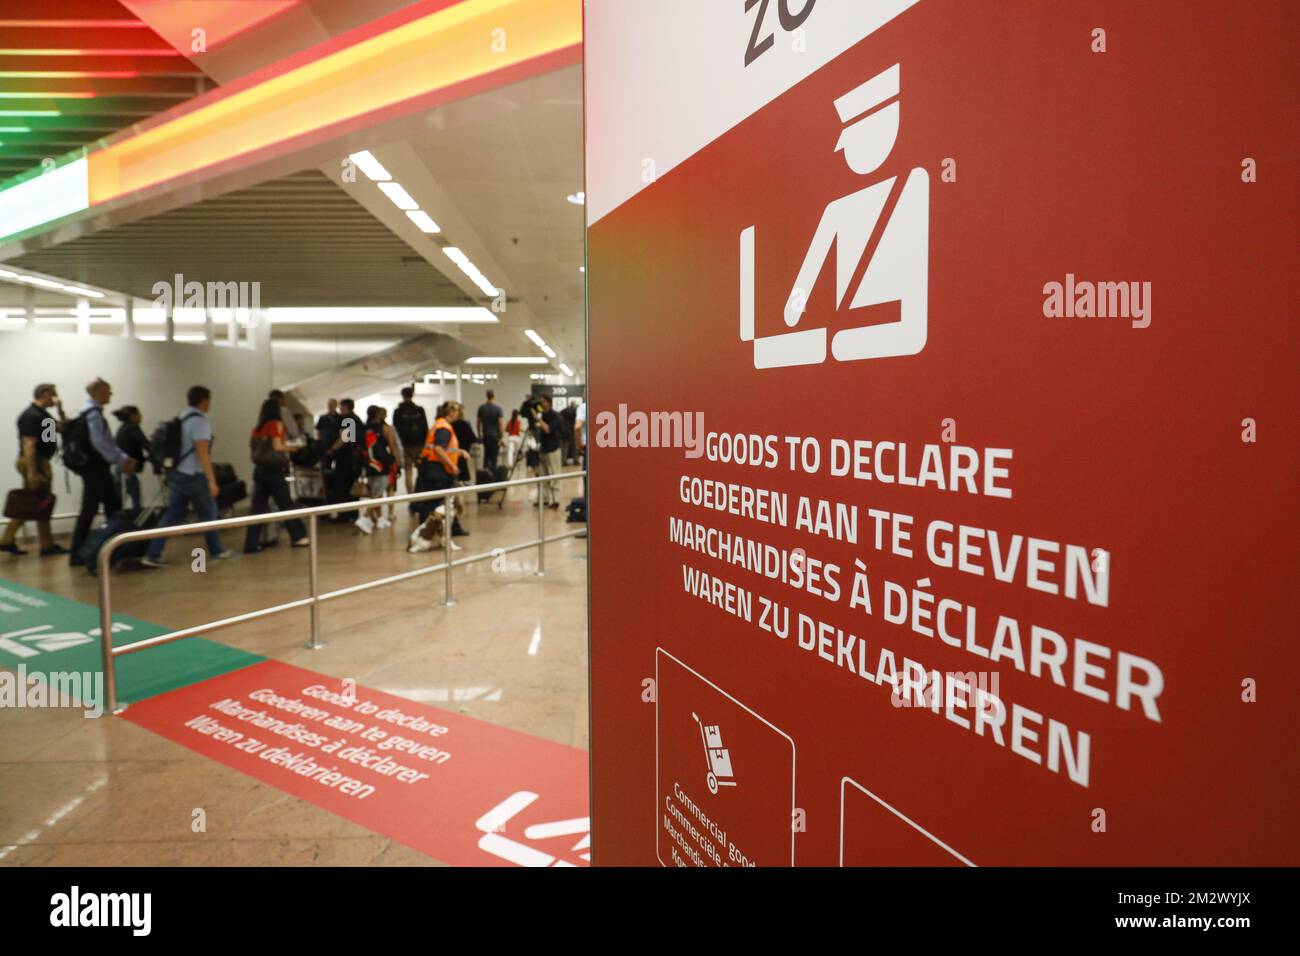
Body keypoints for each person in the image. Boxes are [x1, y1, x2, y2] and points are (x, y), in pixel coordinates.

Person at [141, 385, 235, 566]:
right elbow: (203, 452)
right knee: (209, 512)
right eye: (209, 400)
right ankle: (217, 551)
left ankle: (152, 553)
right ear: (204, 401)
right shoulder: (199, 422)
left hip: (176, 474)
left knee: (173, 513)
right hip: (193, 475)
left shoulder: (181, 417)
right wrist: (211, 481)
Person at [71, 379, 137, 566]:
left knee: (112, 508)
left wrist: (122, 458)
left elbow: (106, 441)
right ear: (98, 392)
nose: (111, 393)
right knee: (91, 510)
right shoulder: (93, 414)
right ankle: (80, 553)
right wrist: (120, 460)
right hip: (96, 471)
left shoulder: (88, 412)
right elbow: (100, 442)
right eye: (108, 390)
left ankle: (112, 549)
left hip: (97, 470)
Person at [0, 383, 68, 557]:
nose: (56, 397)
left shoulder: (44, 417)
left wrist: (60, 409)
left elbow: (62, 429)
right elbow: (29, 445)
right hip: (33, 462)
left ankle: (7, 541)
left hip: (40, 461)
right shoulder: (32, 416)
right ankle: (46, 546)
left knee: (32, 502)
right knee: (40, 502)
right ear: (45, 394)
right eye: (54, 394)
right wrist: (32, 472)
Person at [243, 397, 309, 553]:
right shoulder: (276, 424)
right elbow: (277, 446)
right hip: (274, 471)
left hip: (259, 471)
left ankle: (251, 544)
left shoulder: (257, 428)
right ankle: (298, 537)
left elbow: (253, 447)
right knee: (286, 504)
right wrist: (292, 448)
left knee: (257, 509)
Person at [414, 402, 469, 535]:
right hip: (436, 469)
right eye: (456, 411)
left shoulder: (440, 424)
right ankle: (426, 530)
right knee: (434, 501)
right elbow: (439, 449)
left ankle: (454, 528)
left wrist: (459, 451)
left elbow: (445, 448)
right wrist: (452, 465)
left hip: (433, 467)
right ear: (450, 412)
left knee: (443, 499)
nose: (458, 414)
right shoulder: (444, 428)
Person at [355, 405, 398, 535]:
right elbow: (392, 447)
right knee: (377, 495)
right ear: (378, 415)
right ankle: (365, 517)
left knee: (374, 491)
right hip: (382, 465)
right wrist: (395, 461)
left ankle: (379, 518)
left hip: (369, 465)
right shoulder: (385, 429)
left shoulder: (363, 429)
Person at [112, 405, 150, 511]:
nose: (141, 417)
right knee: (135, 499)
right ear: (133, 416)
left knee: (120, 501)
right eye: (139, 414)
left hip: (120, 469)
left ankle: (118, 523)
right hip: (127, 469)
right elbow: (145, 444)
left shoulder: (122, 428)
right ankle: (136, 523)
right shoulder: (132, 427)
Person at [392, 386, 428, 496]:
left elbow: (395, 430)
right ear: (412, 395)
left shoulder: (398, 412)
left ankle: (410, 495)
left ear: (402, 395)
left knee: (408, 471)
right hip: (419, 445)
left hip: (405, 445)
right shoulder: (419, 410)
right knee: (422, 470)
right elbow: (425, 428)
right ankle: (421, 492)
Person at [535, 393, 563, 509]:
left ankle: (556, 499)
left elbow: (548, 429)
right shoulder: (542, 415)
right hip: (543, 448)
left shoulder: (555, 416)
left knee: (554, 475)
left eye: (543, 401)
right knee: (543, 475)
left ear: (548, 402)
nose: (541, 404)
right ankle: (545, 499)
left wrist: (537, 419)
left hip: (553, 449)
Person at [476, 389, 504, 474]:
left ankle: (485, 478)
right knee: (494, 457)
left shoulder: (481, 408)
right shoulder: (498, 409)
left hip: (486, 436)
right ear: (494, 396)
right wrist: (501, 437)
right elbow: (501, 424)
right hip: (495, 436)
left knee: (486, 456)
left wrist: (479, 435)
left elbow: (477, 423)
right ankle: (493, 478)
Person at [450, 402, 478, 484]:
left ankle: (458, 481)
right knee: (462, 464)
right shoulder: (464, 424)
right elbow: (472, 437)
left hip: (453, 449)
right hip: (463, 447)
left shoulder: (449, 425)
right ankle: (463, 480)